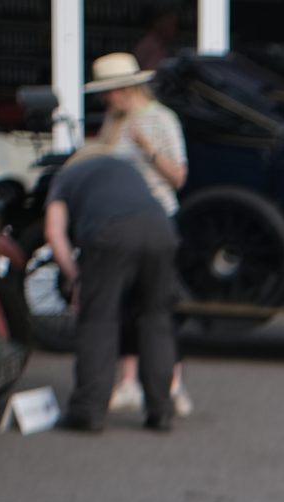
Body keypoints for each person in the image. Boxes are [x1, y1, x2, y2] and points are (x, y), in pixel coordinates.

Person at [85, 51, 192, 418]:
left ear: (127, 88)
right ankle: (128, 382)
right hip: (118, 221)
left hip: (158, 218)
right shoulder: (113, 122)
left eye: (109, 91)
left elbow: (178, 176)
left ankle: (171, 386)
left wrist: (149, 150)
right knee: (124, 304)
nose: (105, 99)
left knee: (158, 305)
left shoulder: (162, 119)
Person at [44, 143, 178, 433]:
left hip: (110, 233)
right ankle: (161, 409)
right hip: (160, 231)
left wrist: (75, 275)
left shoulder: (66, 177)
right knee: (155, 318)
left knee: (99, 320)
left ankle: (88, 411)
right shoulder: (125, 167)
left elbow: (53, 232)